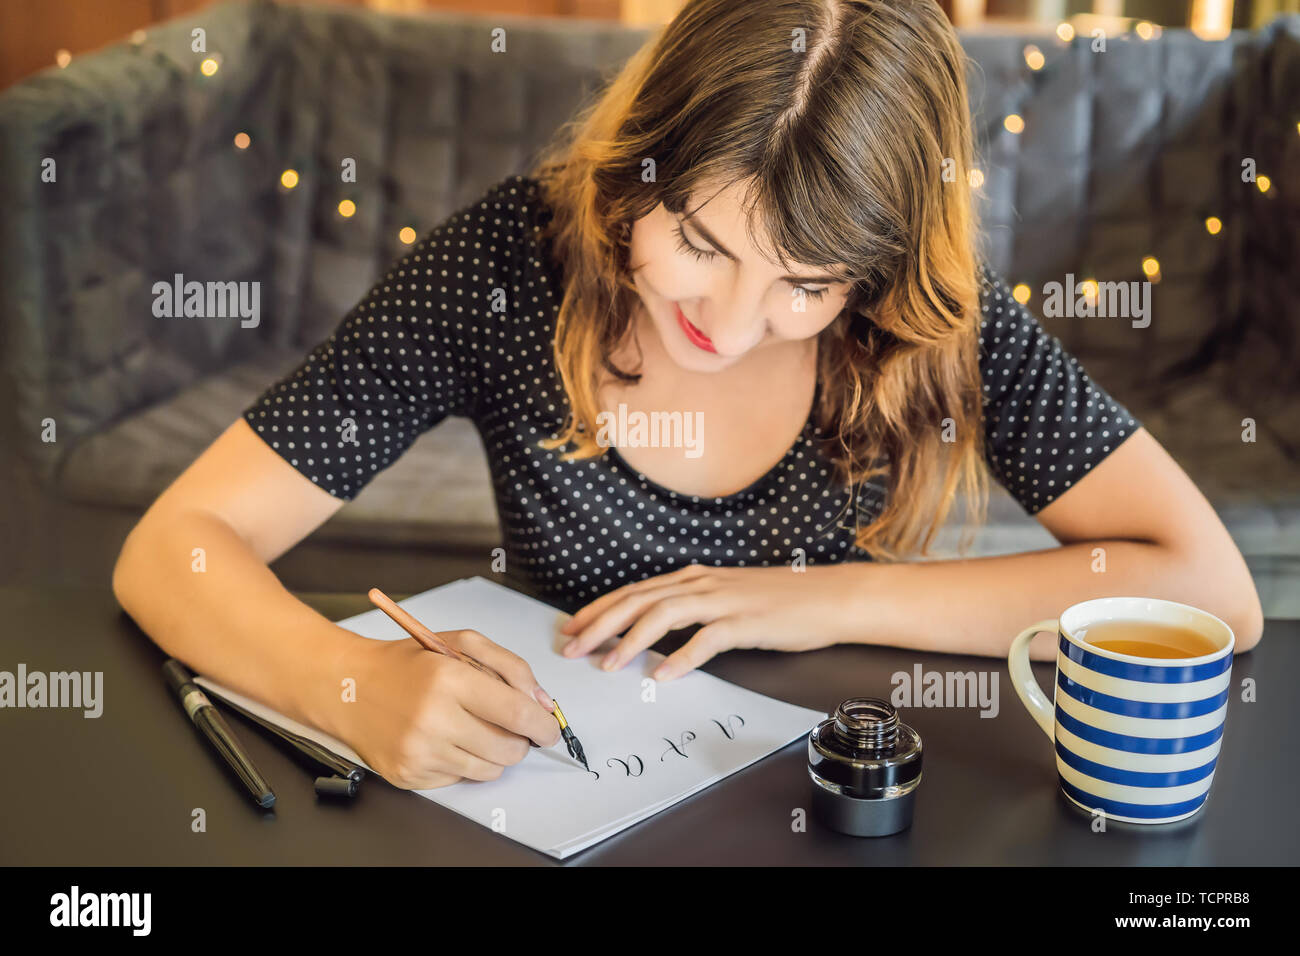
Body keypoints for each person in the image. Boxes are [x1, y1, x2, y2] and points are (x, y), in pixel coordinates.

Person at [113, 0, 1262, 790]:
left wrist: (819, 600)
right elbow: (175, 548)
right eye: (701, 241)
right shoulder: (505, 269)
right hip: (549, 787)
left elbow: (1210, 588)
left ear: (871, 273)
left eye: (804, 283)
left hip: (841, 795)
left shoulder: (923, 322)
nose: (732, 317)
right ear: (636, 172)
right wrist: (346, 681)